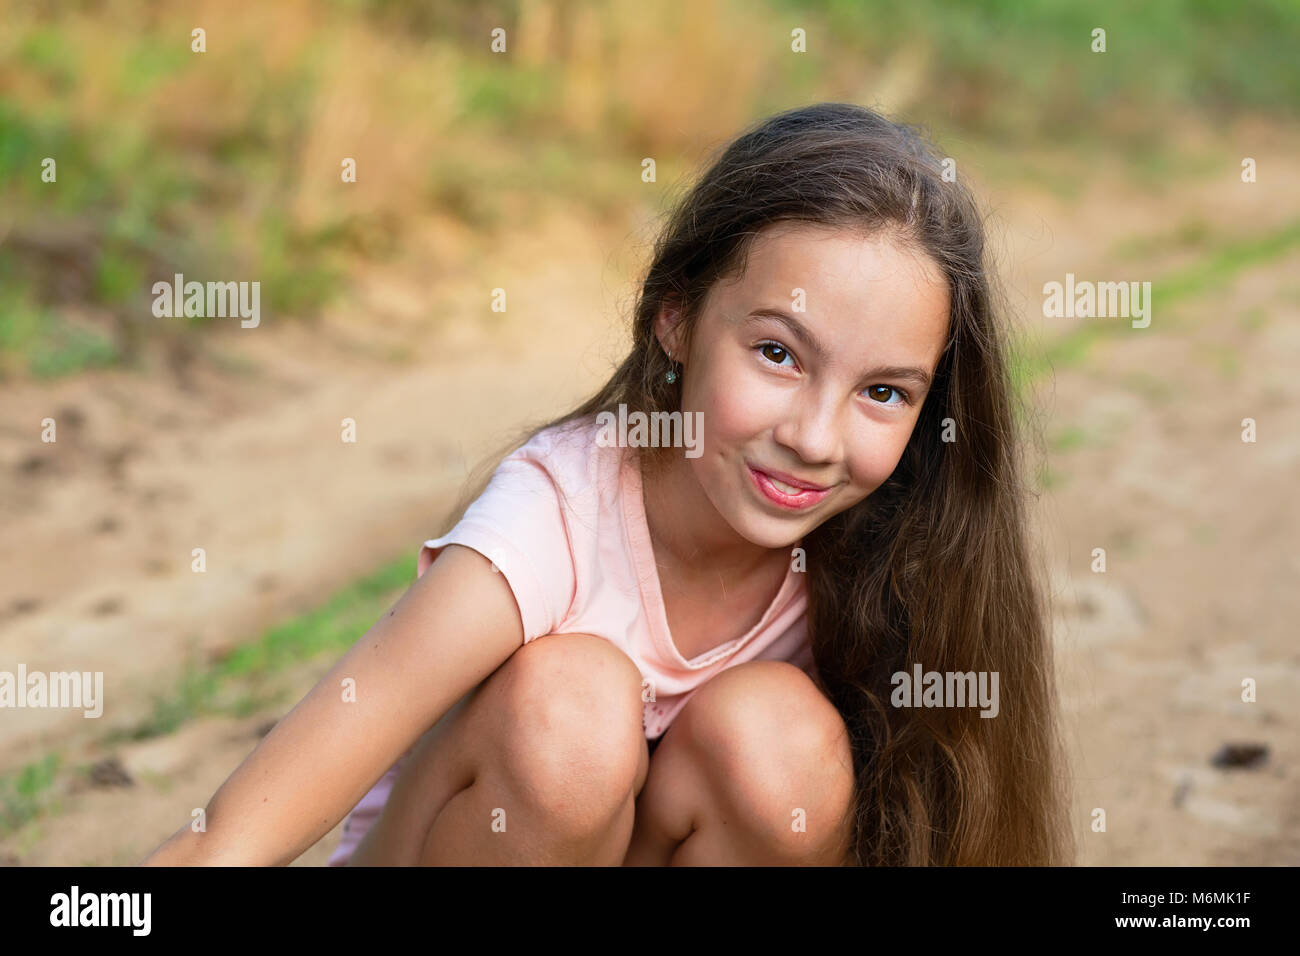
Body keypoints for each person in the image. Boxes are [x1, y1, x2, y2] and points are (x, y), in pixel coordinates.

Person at [142, 102, 1074, 867]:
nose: (814, 440)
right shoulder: (549, 523)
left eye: (881, 391)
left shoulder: (885, 553)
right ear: (675, 318)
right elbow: (233, 841)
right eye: (779, 354)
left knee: (781, 745)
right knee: (572, 715)